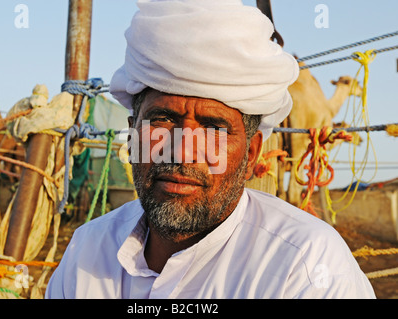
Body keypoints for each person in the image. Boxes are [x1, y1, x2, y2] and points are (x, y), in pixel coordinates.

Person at [45, 0, 375, 299]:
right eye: (162, 120)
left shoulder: (305, 268)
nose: (183, 151)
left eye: (214, 129)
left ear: (251, 155)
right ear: (133, 135)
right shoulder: (86, 253)